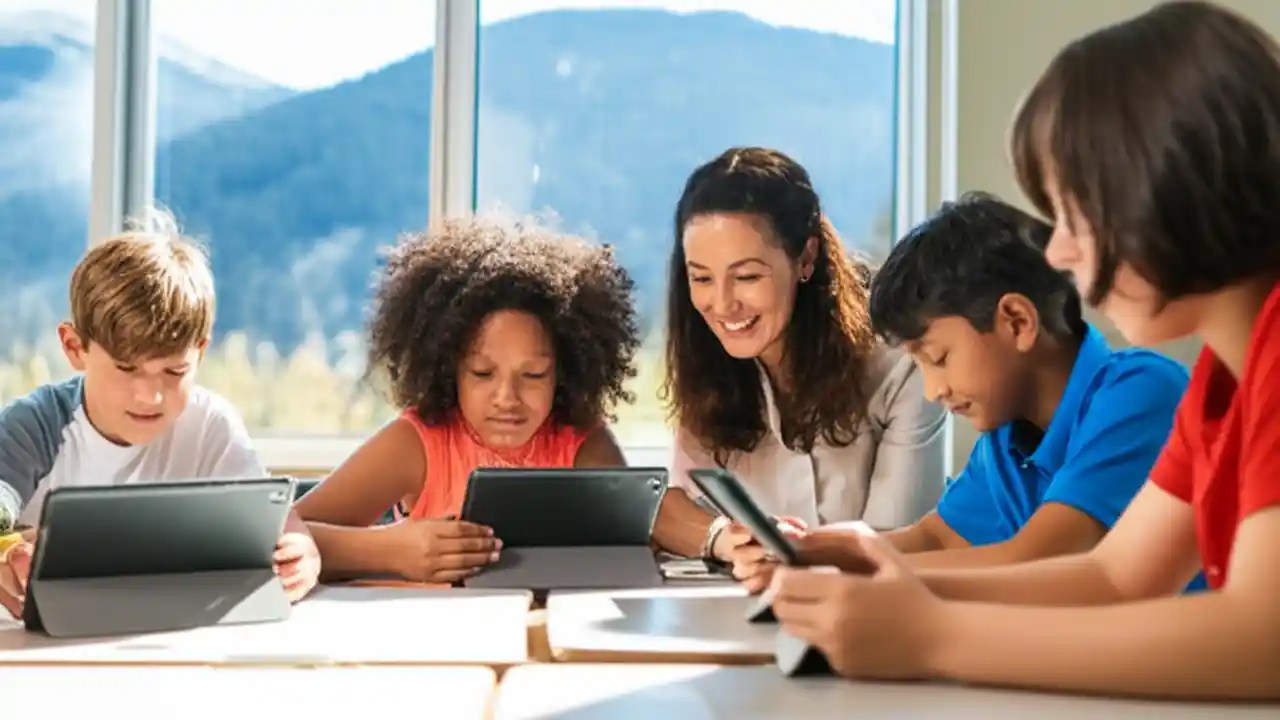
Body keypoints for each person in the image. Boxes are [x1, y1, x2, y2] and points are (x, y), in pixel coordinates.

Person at [767, 1, 1280, 700]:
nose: (1061, 253)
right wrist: (874, 568)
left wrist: (931, 637)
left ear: (1168, 189)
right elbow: (1115, 576)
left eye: (1074, 216)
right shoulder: (1225, 382)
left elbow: (1261, 638)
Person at [730, 193, 1189, 591]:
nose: (933, 390)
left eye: (939, 358)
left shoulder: (1139, 393)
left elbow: (1037, 560)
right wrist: (815, 549)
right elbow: (937, 538)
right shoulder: (1011, 436)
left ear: (1017, 322)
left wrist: (849, 576)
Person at [0, 210, 320, 619]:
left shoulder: (212, 426)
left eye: (174, 371)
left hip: (164, 635)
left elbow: (278, 523)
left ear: (200, 352)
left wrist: (304, 554)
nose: (150, 395)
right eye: (126, 368)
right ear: (75, 347)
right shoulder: (35, 427)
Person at [295, 216, 640, 583]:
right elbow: (282, 540)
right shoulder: (417, 444)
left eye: (534, 375)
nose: (507, 398)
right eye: (482, 373)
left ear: (564, 373)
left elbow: (633, 552)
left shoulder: (585, 443)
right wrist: (389, 551)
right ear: (448, 368)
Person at [653, 146, 946, 563]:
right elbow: (675, 511)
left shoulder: (900, 366)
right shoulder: (708, 366)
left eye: (747, 276)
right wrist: (724, 538)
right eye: (701, 278)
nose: (721, 304)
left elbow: (896, 546)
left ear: (806, 258)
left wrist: (792, 550)